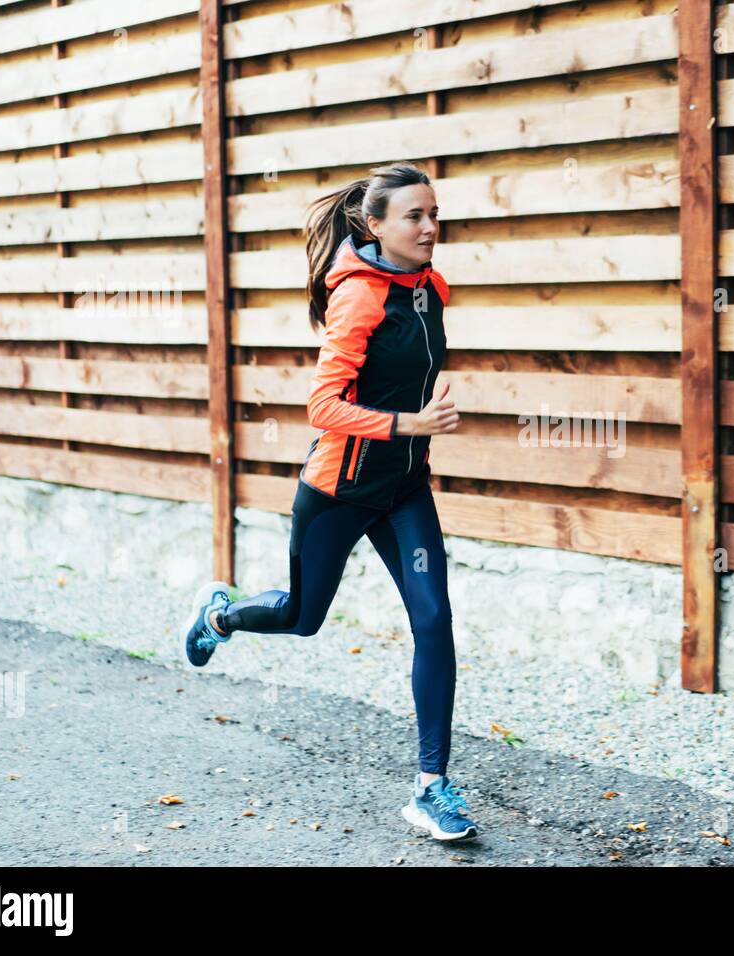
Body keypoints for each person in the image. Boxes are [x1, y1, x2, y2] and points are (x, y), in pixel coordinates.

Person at [180, 161, 477, 841]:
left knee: (434, 619)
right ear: (375, 226)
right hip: (338, 492)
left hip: (403, 489)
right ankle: (220, 617)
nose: (431, 227)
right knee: (301, 616)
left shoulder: (431, 285)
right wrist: (409, 424)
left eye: (435, 214)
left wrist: (416, 428)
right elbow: (323, 405)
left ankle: (433, 787)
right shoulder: (358, 298)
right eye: (415, 216)